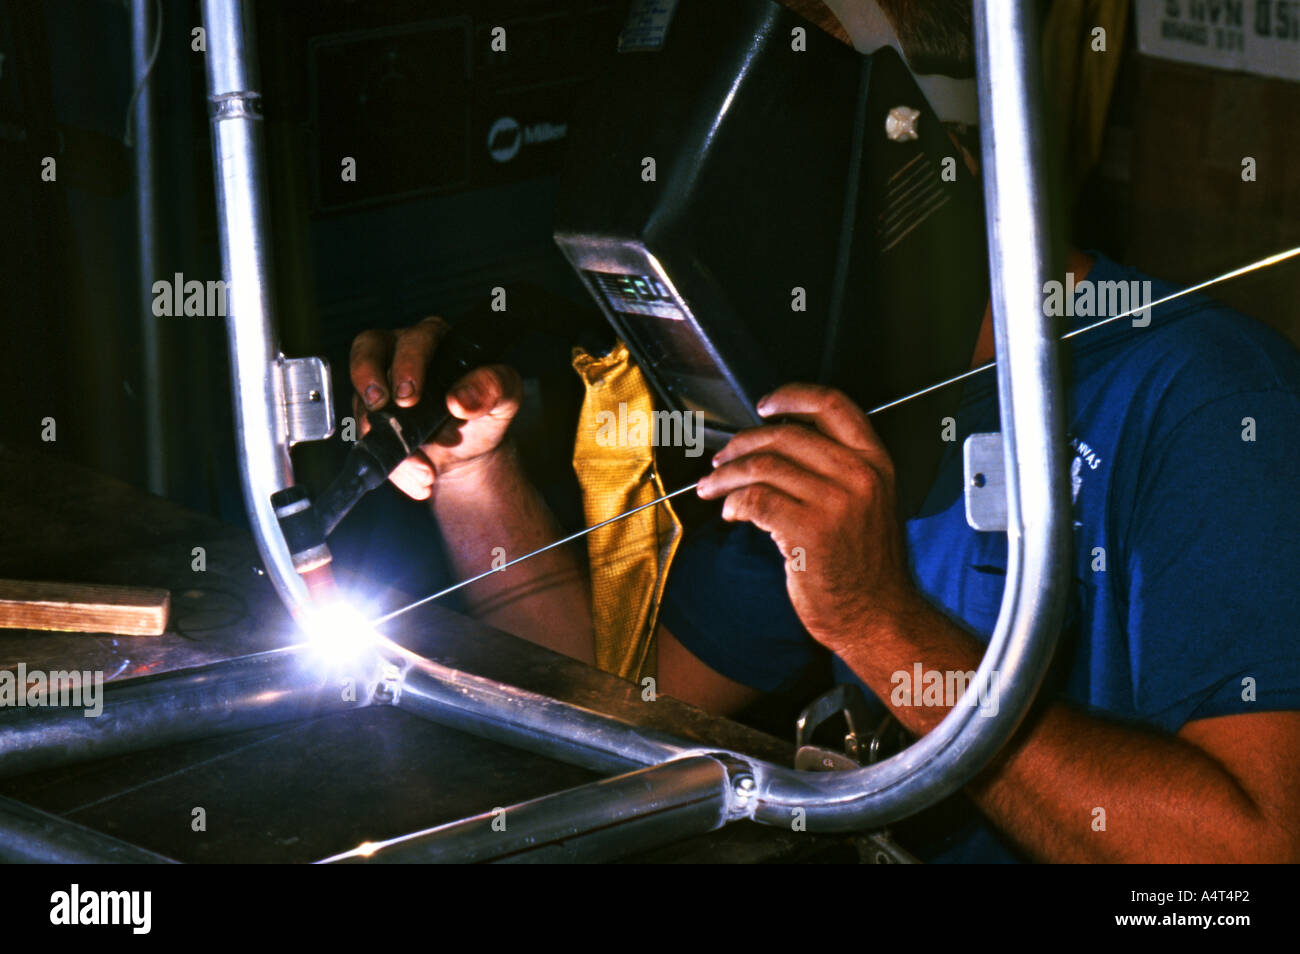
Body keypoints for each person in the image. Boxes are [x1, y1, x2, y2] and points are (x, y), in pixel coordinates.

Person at [346, 0, 1300, 862]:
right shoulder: (844, 396)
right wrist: (477, 473)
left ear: (926, 159)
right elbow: (609, 701)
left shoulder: (1208, 402)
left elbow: (1248, 865)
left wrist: (879, 624)